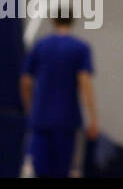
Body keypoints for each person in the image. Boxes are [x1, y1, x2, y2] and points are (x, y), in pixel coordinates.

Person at [20, 12, 97, 178]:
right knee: (61, 171)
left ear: (53, 20)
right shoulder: (80, 48)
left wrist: (30, 108)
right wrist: (93, 118)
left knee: (40, 170)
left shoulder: (40, 46)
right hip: (66, 119)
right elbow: (85, 84)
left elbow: (26, 81)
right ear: (72, 21)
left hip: (40, 117)